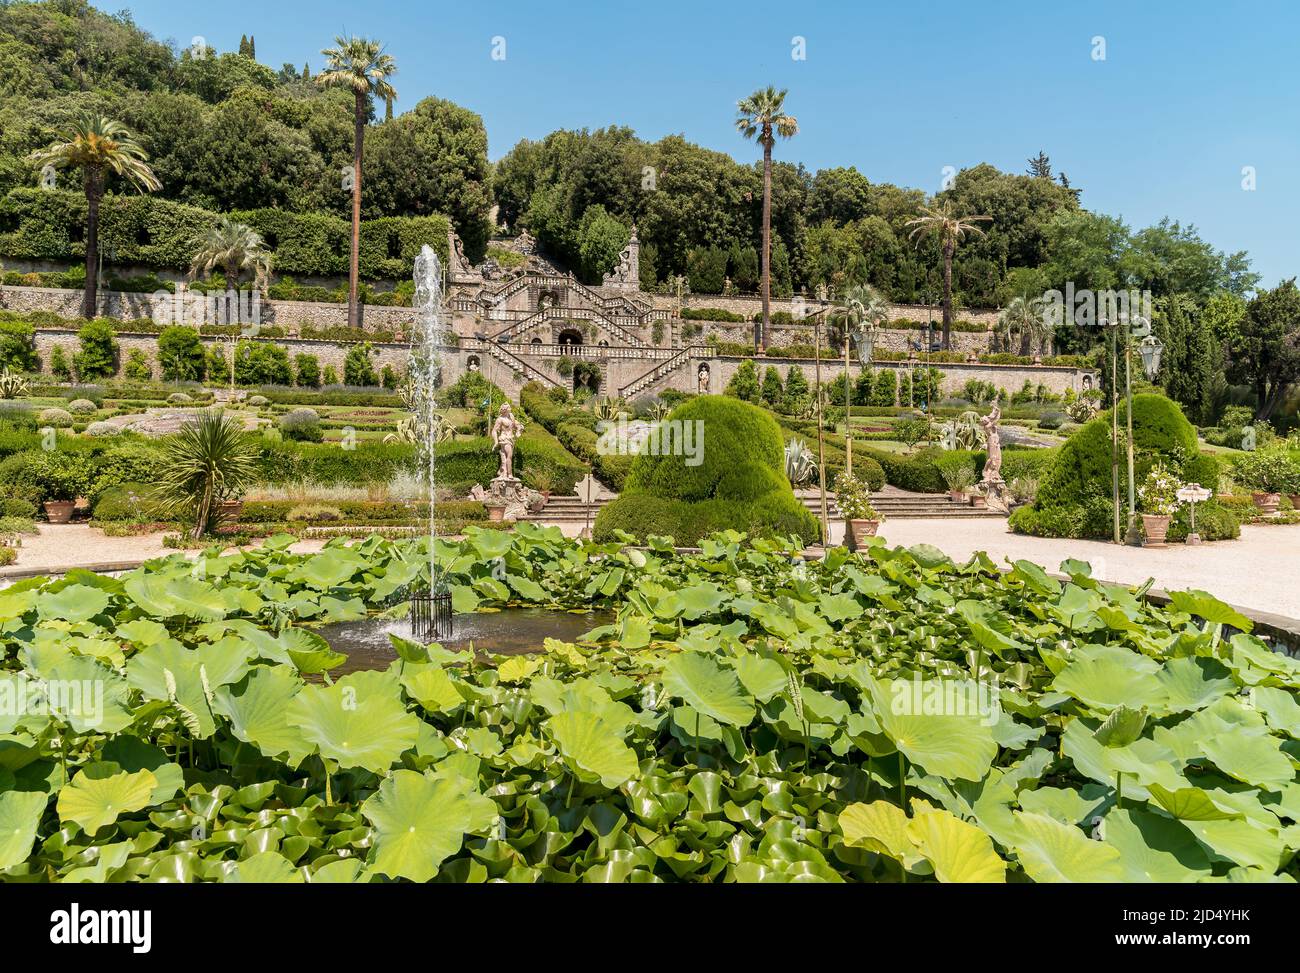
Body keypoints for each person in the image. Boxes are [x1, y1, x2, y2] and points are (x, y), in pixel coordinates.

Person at [491, 403, 525, 479]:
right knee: (509, 456)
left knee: (505, 457)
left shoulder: (511, 417)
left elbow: (517, 425)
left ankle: (502, 471)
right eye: (508, 408)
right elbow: (494, 431)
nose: (510, 408)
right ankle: (509, 474)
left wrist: (519, 429)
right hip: (504, 439)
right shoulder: (500, 419)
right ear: (504, 410)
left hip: (511, 439)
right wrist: (496, 442)